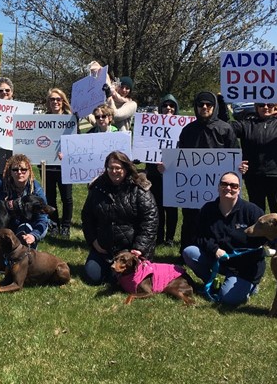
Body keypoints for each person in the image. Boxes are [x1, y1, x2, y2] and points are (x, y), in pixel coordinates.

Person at [181, 171, 266, 306]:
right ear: (218, 187)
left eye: (233, 186)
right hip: (219, 259)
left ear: (239, 190)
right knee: (189, 252)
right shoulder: (208, 209)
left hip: (244, 267)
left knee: (228, 299)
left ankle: (251, 286)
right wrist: (215, 250)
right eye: (224, 184)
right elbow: (199, 236)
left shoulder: (252, 211)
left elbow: (264, 239)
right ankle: (211, 282)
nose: (228, 188)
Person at [80, 151, 159, 285]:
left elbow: (150, 220)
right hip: (103, 248)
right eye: (111, 168)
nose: (114, 171)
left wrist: (139, 248)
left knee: (118, 281)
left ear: (126, 168)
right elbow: (87, 217)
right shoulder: (97, 188)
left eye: (118, 168)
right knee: (92, 277)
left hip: (130, 251)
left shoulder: (139, 188)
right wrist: (93, 241)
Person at [175, 91, 239, 248]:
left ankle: (216, 250)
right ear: (196, 107)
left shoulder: (225, 129)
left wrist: (239, 166)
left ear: (214, 107)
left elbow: (234, 153)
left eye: (208, 104)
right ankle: (187, 251)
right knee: (190, 218)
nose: (204, 107)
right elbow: (179, 155)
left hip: (218, 184)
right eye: (201, 104)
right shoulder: (188, 130)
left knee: (216, 218)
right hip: (192, 185)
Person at [0, 154, 50, 267]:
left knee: (25, 229)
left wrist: (34, 235)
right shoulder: (3, 183)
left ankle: (25, 259)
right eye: (15, 169)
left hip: (29, 226)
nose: (19, 172)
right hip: (7, 226)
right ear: (10, 171)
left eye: (23, 169)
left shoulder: (36, 190)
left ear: (29, 171)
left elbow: (43, 219)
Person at [144, 94, 181, 246]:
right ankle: (159, 237)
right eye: (165, 105)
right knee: (157, 206)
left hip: (172, 173)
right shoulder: (153, 127)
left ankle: (170, 238)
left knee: (171, 207)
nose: (168, 108)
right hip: (154, 173)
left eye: (171, 106)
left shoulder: (182, 127)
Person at [43, 88, 76, 238]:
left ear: (63, 101)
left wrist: (68, 153)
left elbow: (77, 142)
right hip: (47, 164)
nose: (55, 102)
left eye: (58, 99)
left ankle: (66, 226)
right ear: (48, 102)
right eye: (52, 99)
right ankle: (54, 224)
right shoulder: (43, 119)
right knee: (50, 197)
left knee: (66, 197)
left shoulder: (70, 119)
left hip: (65, 164)